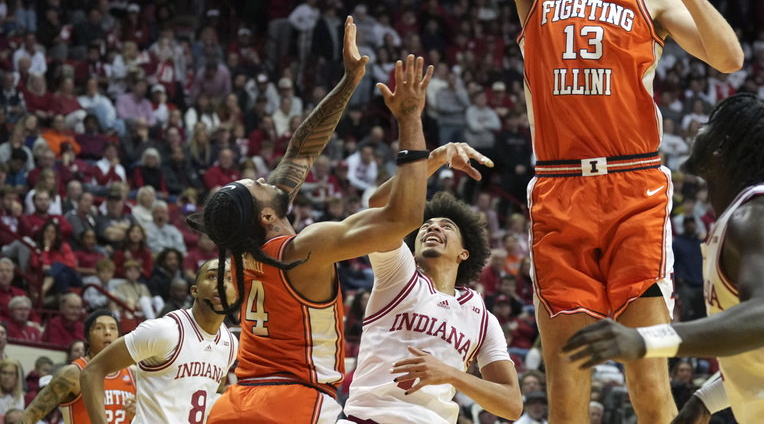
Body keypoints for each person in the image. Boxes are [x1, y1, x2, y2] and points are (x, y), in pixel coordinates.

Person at [315, 0, 743, 424]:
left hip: (633, 190)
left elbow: (729, 58)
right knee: (567, 392)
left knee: (648, 382)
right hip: (559, 190)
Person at [192, 21, 488, 424]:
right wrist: (410, 119)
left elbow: (300, 152)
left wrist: (349, 80)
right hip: (293, 405)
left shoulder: (245, 245)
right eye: (258, 184)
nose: (266, 177)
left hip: (234, 402)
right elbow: (403, 217)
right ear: (265, 215)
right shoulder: (304, 249)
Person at [560, 93, 764, 423]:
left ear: (720, 148)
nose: (698, 134)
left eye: (707, 127)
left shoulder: (759, 217)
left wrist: (644, 338)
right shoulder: (746, 218)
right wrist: (704, 400)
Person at [341, 191, 521, 423]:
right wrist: (434, 157)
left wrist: (451, 375)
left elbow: (512, 405)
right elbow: (380, 207)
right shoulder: (399, 275)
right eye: (426, 226)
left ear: (464, 253)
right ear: (412, 250)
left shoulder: (483, 319)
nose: (433, 228)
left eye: (446, 226)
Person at [80, 259, 238, 424]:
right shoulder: (165, 331)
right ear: (194, 291)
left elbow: (212, 391)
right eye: (212, 276)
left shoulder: (230, 344)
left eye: (229, 279)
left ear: (236, 295)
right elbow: (91, 372)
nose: (221, 284)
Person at [16, 309, 135, 424]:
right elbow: (30, 415)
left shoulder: (133, 373)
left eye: (112, 328)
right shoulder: (72, 374)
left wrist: (138, 414)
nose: (107, 332)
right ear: (87, 338)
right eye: (99, 327)